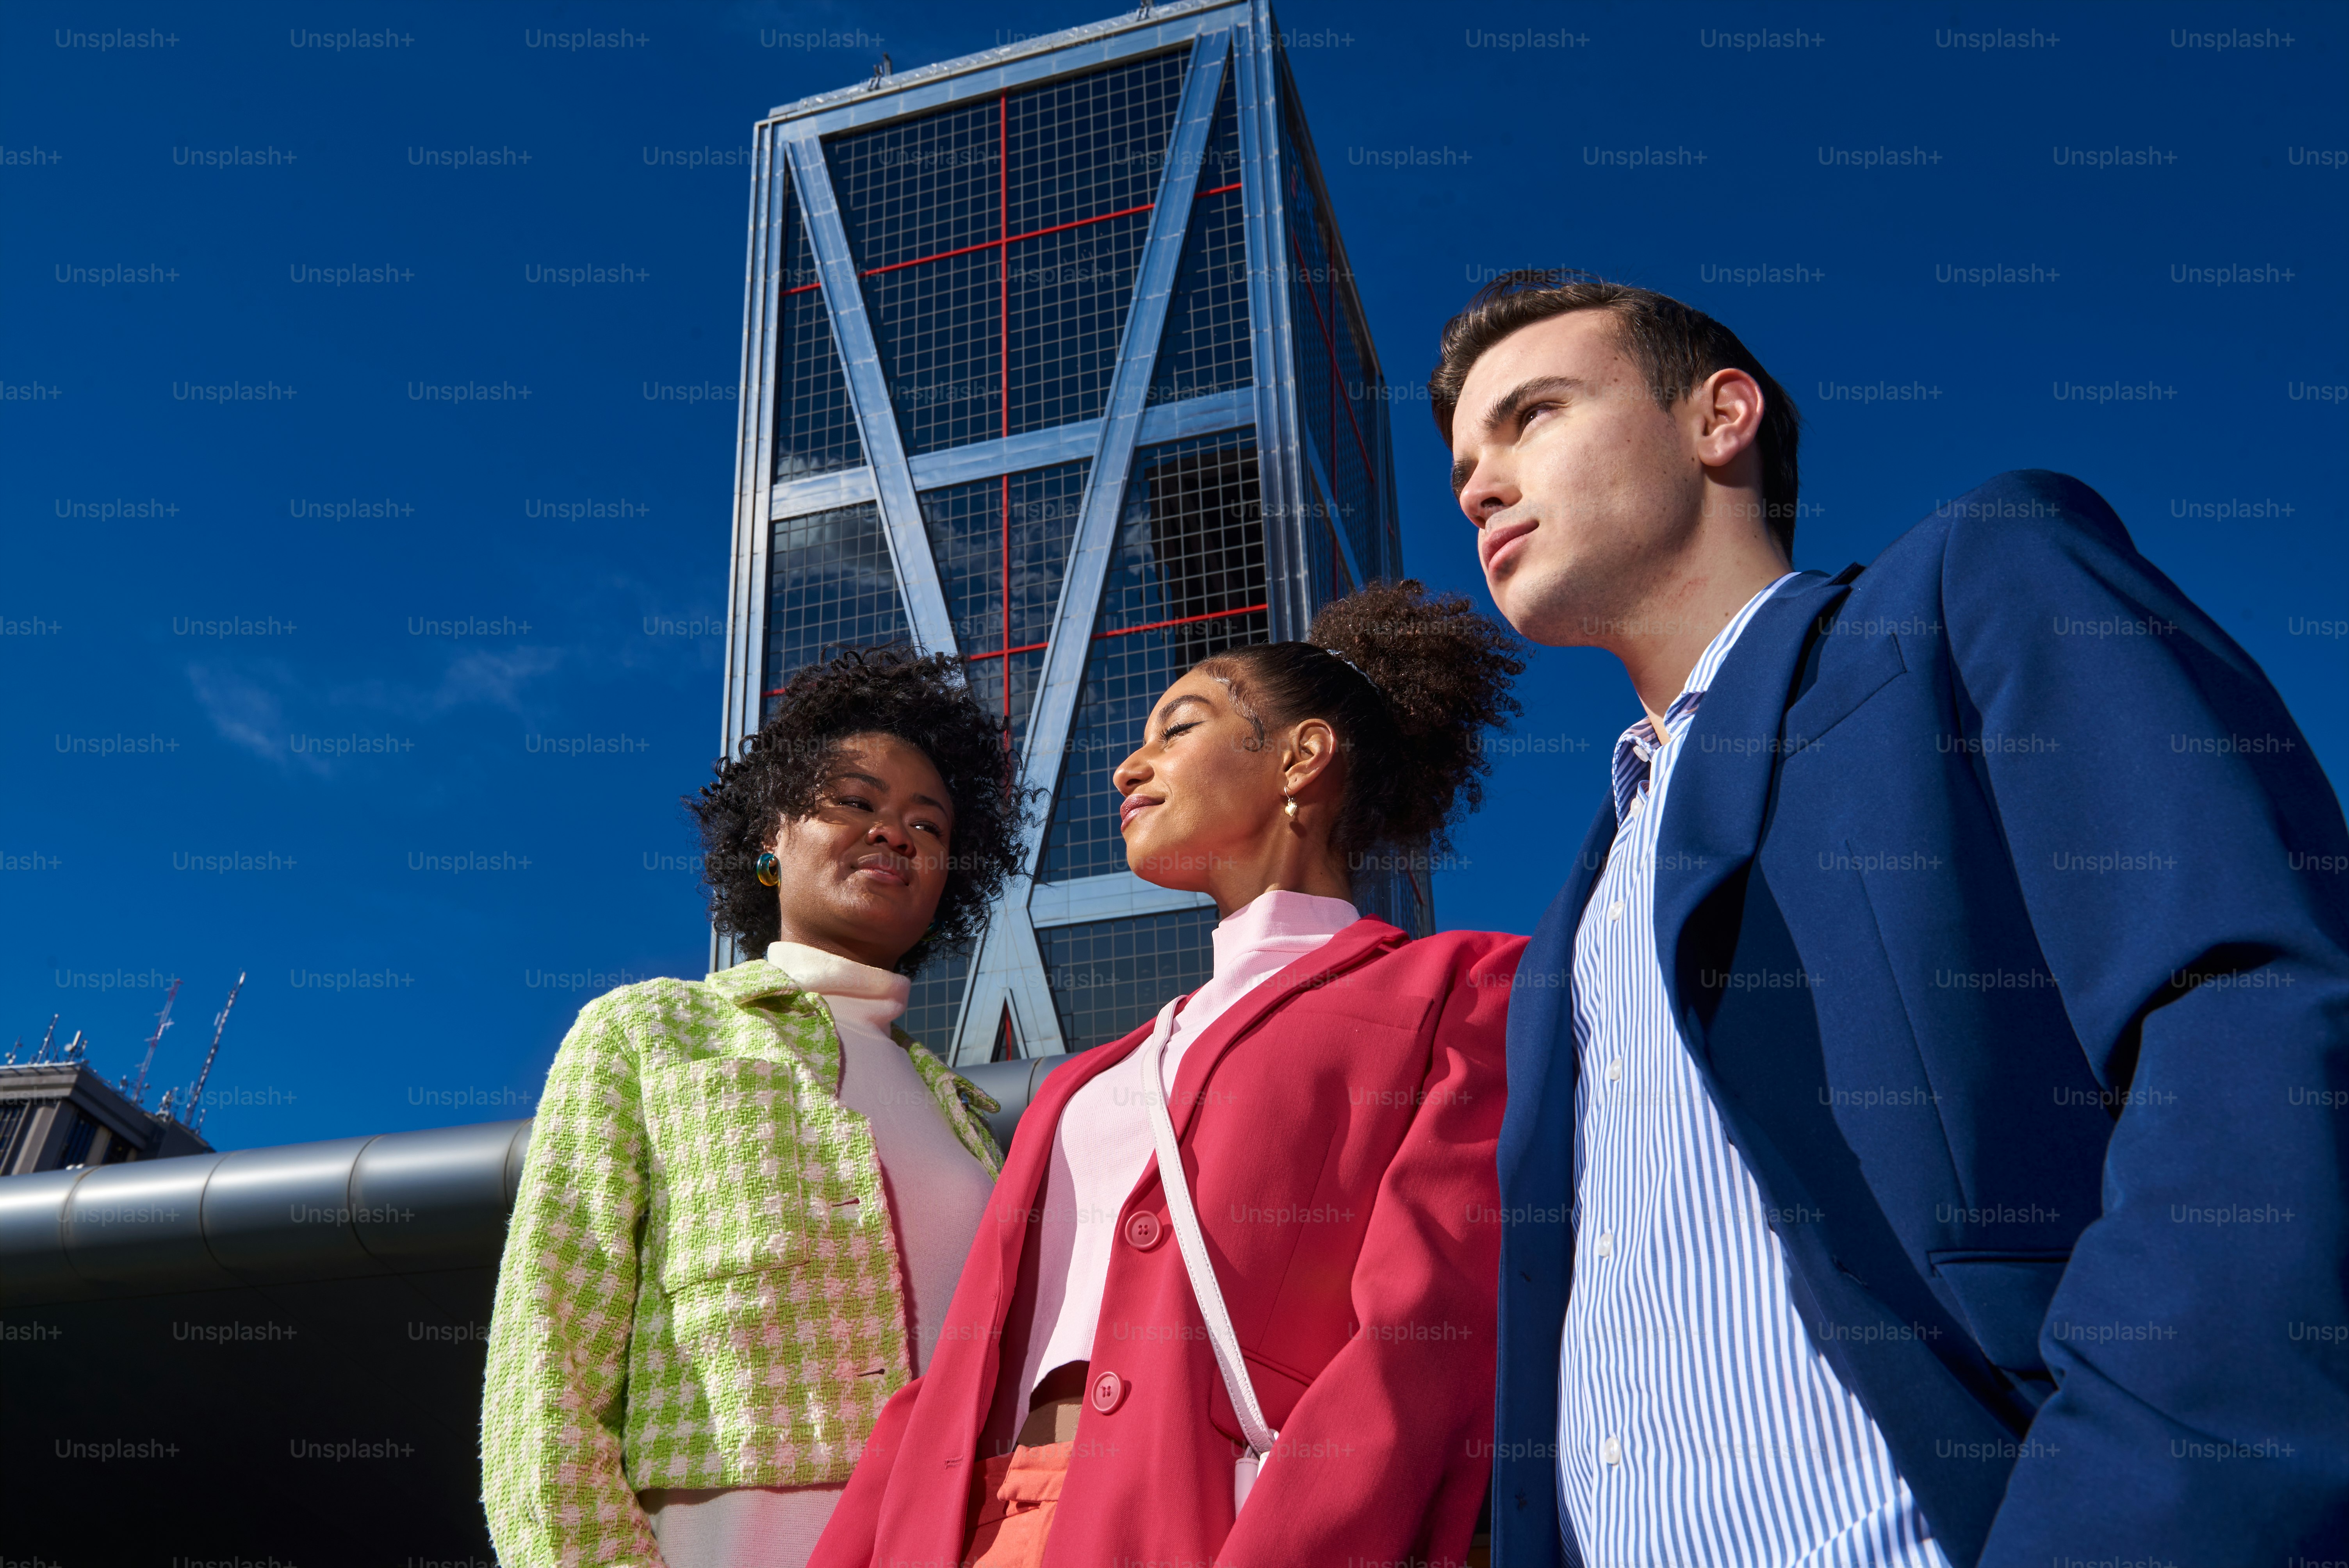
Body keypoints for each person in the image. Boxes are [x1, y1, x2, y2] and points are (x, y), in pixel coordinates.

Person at [1435, 271, 2349, 1567]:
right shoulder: (1568, 920)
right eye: (1462, 458)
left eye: (1528, 416)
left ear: (1719, 417)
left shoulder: (1970, 590)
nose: (1475, 483)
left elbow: (2257, 1038)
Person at [811, 581, 1529, 1568]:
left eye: (1176, 728)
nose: (1124, 767)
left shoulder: (1459, 992)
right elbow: (953, 1379)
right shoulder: (1087, 1080)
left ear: (1301, 757)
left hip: (1221, 1526)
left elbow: (1425, 1335)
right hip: (972, 1526)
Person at [481, 648, 1030, 1568]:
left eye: (925, 824)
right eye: (855, 802)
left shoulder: (971, 1121)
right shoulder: (649, 1033)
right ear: (771, 836)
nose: (893, 832)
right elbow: (545, 1355)